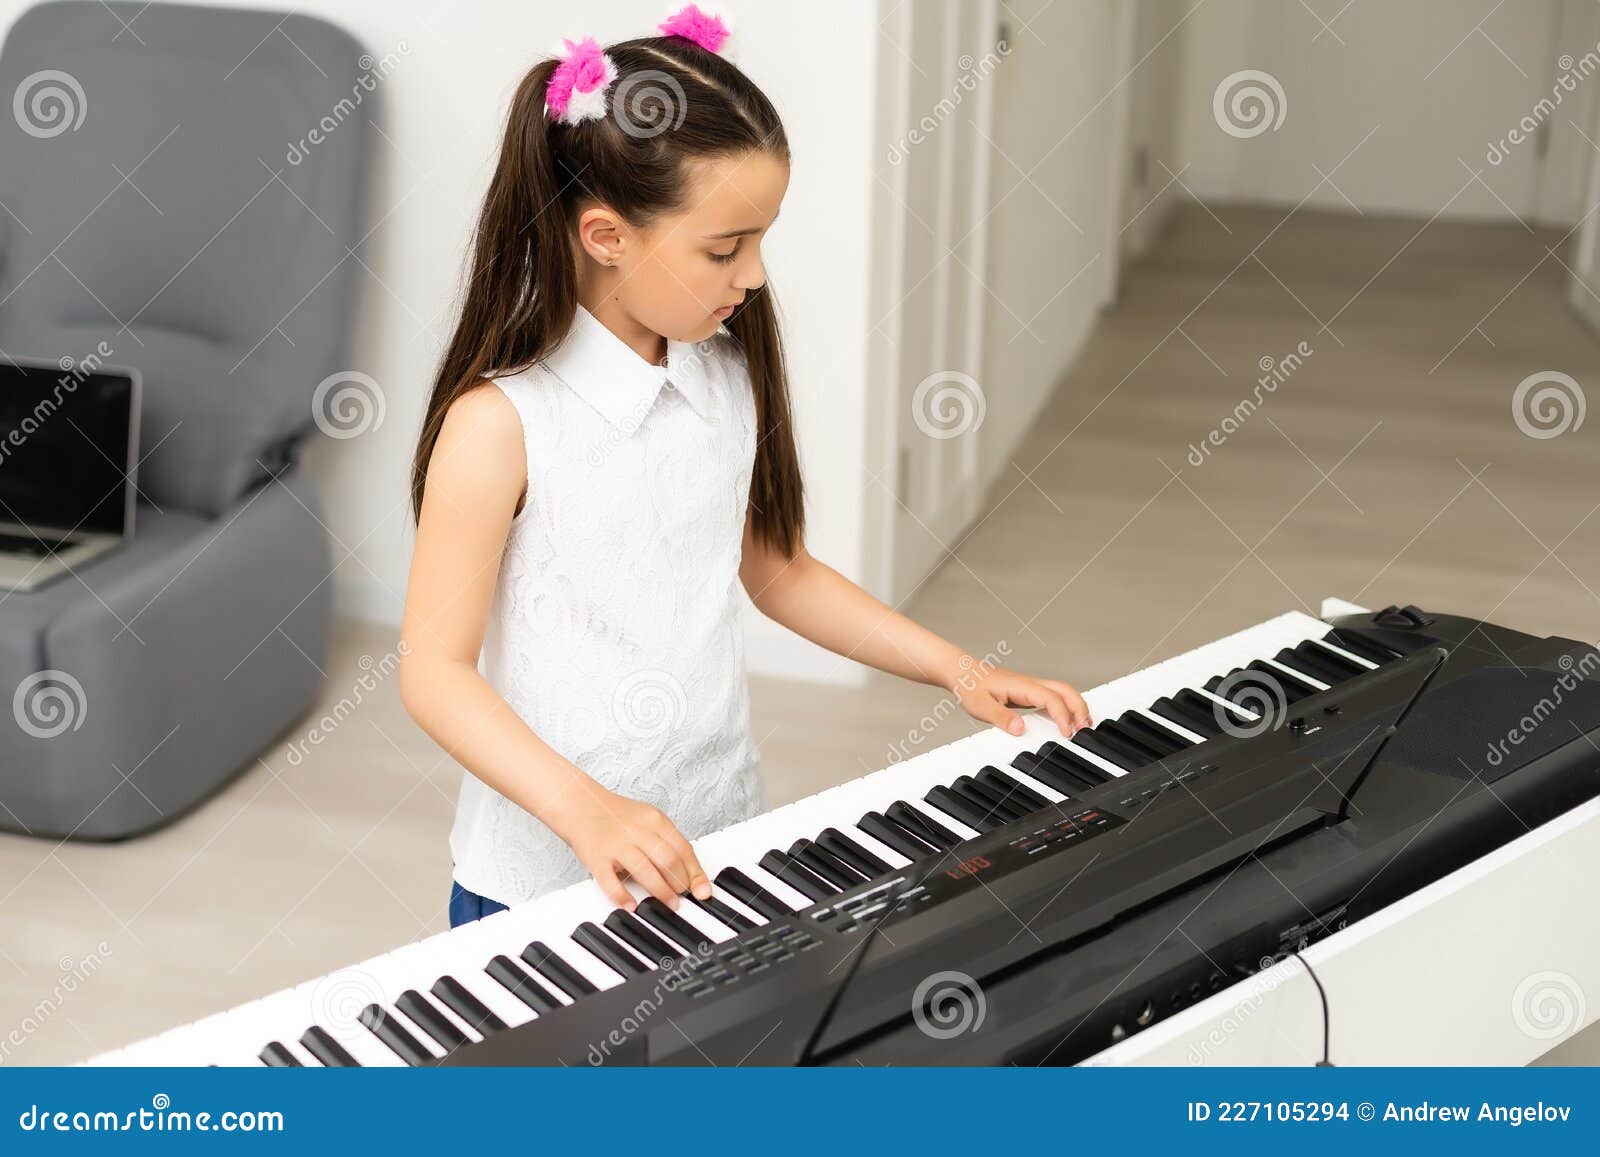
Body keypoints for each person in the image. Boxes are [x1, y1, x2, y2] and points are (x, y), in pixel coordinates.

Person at [398, 5, 1092, 929]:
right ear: (607, 236)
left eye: (761, 239)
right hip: (541, 881)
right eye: (726, 248)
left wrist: (957, 669)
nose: (755, 274)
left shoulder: (724, 375)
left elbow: (779, 569)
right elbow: (434, 670)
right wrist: (586, 809)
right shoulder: (501, 425)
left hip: (717, 847)